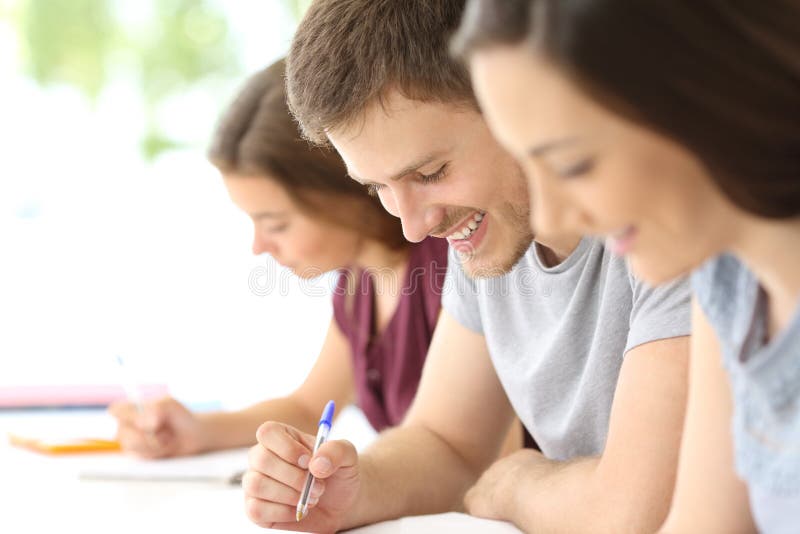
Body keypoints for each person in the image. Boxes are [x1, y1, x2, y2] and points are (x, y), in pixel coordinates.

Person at [242, 2, 692, 532]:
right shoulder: (487, 230)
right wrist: (356, 488)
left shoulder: (670, 226)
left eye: (430, 173)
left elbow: (636, 511)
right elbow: (446, 442)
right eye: (378, 187)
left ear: (515, 102)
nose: (412, 227)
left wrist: (517, 484)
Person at [454, 1, 800, 532]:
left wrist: (521, 485)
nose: (549, 216)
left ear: (709, 93)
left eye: (572, 164)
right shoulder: (726, 282)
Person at [108, 59, 460, 459]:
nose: (258, 246)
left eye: (275, 224)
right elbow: (308, 408)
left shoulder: (446, 269)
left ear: (347, 189)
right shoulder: (359, 281)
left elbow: (461, 455)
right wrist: (198, 429)